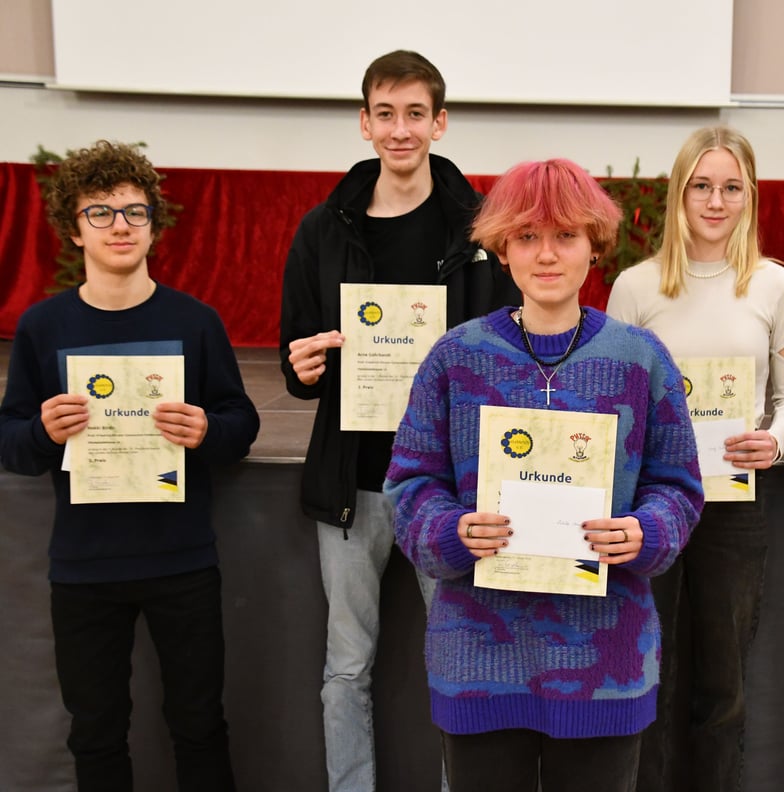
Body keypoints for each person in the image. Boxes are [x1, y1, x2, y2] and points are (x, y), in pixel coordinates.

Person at [383, 158, 704, 792]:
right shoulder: (455, 357)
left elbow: (679, 487)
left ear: (595, 246)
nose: (547, 254)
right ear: (503, 249)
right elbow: (411, 485)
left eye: (565, 235)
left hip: (607, 665)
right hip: (478, 662)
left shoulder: (640, 358)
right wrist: (450, 532)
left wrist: (646, 532)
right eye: (528, 236)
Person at [278, 50, 518, 791]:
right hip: (352, 480)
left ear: (439, 123)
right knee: (346, 666)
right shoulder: (323, 229)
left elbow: (510, 346)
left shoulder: (481, 230)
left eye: (416, 113)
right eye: (385, 113)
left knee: (459, 662)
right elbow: (296, 357)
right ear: (365, 123)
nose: (400, 129)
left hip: (446, 487)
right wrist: (303, 366)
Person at [0, 140, 259, 791]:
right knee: (95, 733)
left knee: (199, 726)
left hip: (182, 562)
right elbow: (10, 441)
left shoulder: (195, 321)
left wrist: (207, 429)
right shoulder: (42, 327)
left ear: (153, 224)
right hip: (84, 568)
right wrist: (41, 432)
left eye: (134, 211)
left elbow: (241, 424)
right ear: (74, 228)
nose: (120, 225)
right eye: (101, 212)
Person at [606, 125, 784, 791]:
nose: (716, 202)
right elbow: (616, 404)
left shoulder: (775, 286)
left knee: (724, 686)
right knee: (646, 679)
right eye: (701, 186)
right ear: (680, 193)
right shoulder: (636, 288)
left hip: (733, 506)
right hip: (648, 507)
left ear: (750, 195)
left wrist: (774, 440)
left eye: (731, 188)